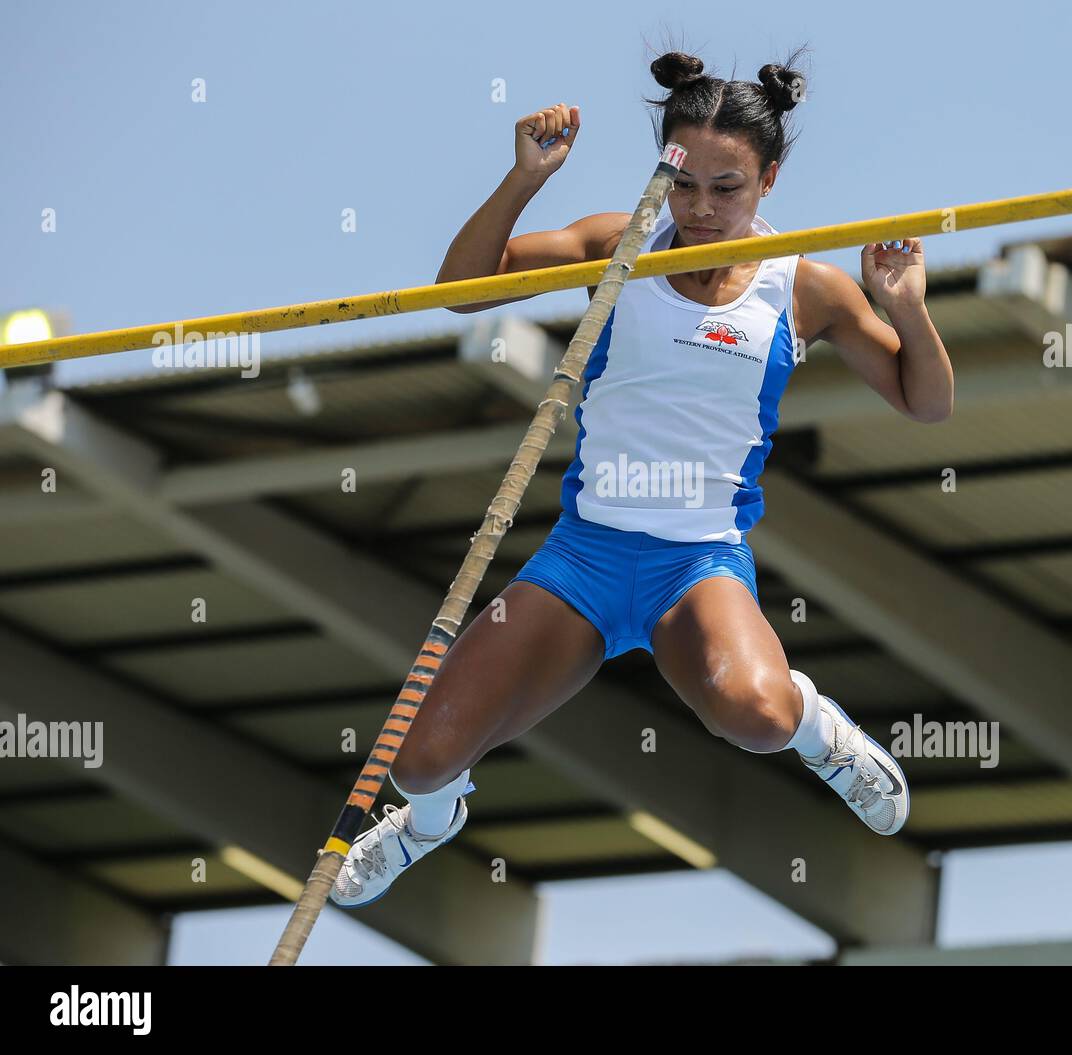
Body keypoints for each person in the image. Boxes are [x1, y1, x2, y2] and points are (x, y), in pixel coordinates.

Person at [330, 48, 953, 909]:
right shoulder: (618, 245)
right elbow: (461, 290)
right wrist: (525, 180)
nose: (699, 208)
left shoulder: (806, 286)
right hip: (581, 557)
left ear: (770, 179)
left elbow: (926, 403)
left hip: (694, 561)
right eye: (682, 182)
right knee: (421, 760)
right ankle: (430, 824)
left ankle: (819, 726)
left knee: (757, 716)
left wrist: (908, 309)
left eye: (726, 188)